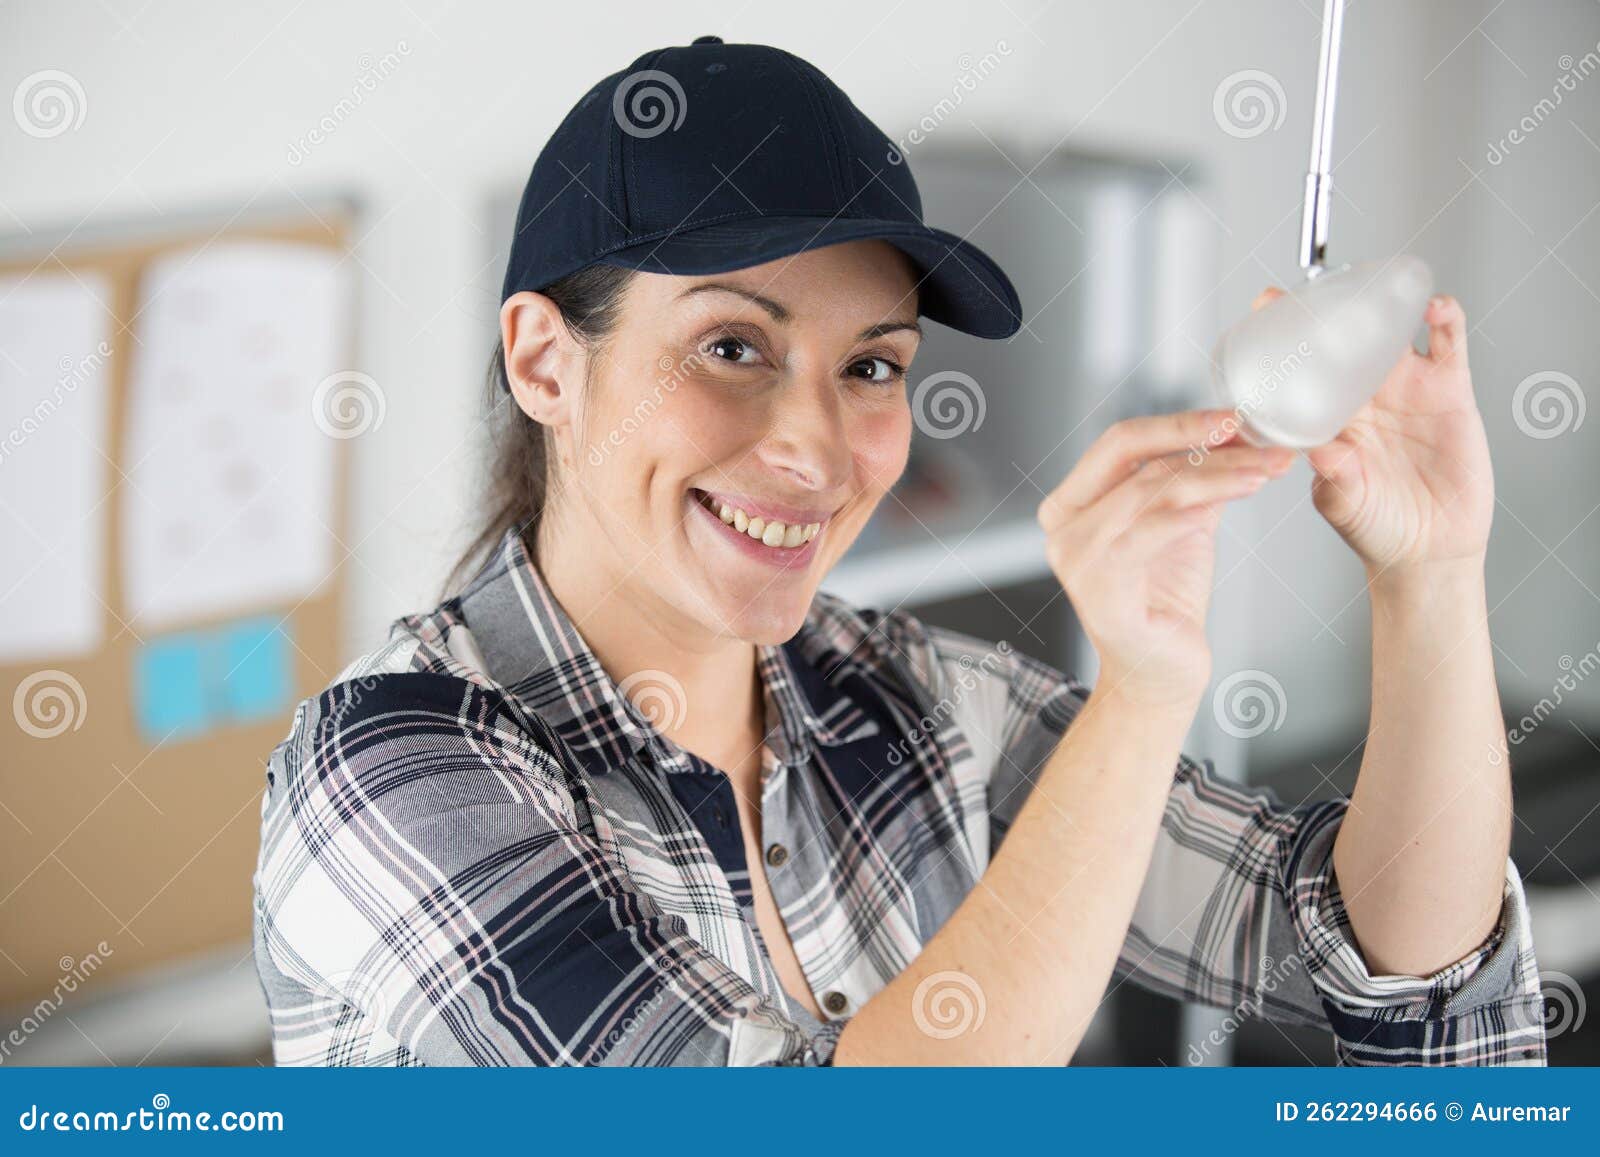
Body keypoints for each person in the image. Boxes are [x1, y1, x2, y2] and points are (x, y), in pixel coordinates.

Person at [251, 36, 1547, 1066]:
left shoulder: (909, 700)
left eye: (871, 364)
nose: (817, 445)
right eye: (733, 346)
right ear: (545, 357)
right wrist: (1140, 694)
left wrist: (1426, 574)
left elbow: (1389, 955)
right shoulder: (393, 772)